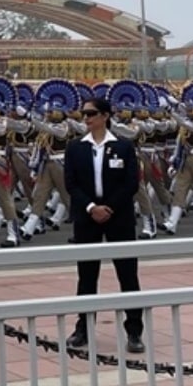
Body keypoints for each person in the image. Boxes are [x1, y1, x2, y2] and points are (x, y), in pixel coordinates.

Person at [63, 96, 145, 354]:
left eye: (91, 113)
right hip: (87, 218)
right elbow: (71, 184)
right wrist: (91, 208)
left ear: (106, 116)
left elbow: (131, 183)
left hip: (118, 216)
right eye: (84, 114)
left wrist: (109, 207)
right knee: (86, 276)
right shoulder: (76, 147)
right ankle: (83, 329)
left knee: (128, 275)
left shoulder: (123, 146)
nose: (86, 118)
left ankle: (134, 332)